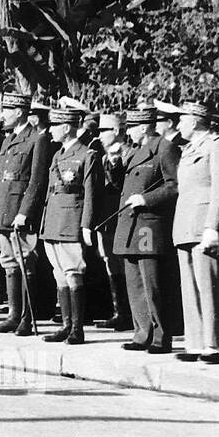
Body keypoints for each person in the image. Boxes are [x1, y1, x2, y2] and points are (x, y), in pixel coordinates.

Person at [171, 101, 219, 364]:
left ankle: (215, 344)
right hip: (185, 223)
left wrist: (214, 226)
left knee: (208, 285)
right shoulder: (189, 149)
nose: (178, 125)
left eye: (182, 120)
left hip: (204, 224)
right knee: (189, 286)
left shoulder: (218, 145)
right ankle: (196, 343)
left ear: (196, 121)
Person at [114, 107, 180, 354]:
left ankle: (161, 336)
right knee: (135, 282)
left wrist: (147, 199)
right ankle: (142, 333)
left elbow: (174, 185)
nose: (127, 131)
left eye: (131, 126)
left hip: (150, 225)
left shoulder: (164, 148)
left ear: (144, 127)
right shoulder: (134, 151)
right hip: (131, 224)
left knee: (152, 282)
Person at [0, 92, 51, 336]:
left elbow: (36, 180)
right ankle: (13, 314)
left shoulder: (37, 139)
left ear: (20, 112)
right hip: (3, 210)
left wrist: (25, 212)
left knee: (26, 263)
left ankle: (26, 316)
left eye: (7, 110)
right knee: (8, 262)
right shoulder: (8, 139)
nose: (2, 114)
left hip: (19, 212)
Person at [39, 106, 100, 345]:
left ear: (66, 127)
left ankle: (77, 328)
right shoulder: (57, 155)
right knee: (59, 275)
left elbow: (91, 194)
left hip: (71, 222)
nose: (51, 130)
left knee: (74, 273)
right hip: (53, 221)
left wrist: (86, 225)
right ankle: (65, 325)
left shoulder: (87, 154)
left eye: (54, 125)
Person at [93, 112, 131, 330]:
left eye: (103, 131)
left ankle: (130, 313)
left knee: (124, 263)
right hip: (106, 217)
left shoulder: (127, 154)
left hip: (121, 215)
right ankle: (119, 312)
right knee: (110, 262)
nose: (99, 136)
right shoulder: (104, 155)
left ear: (116, 131)